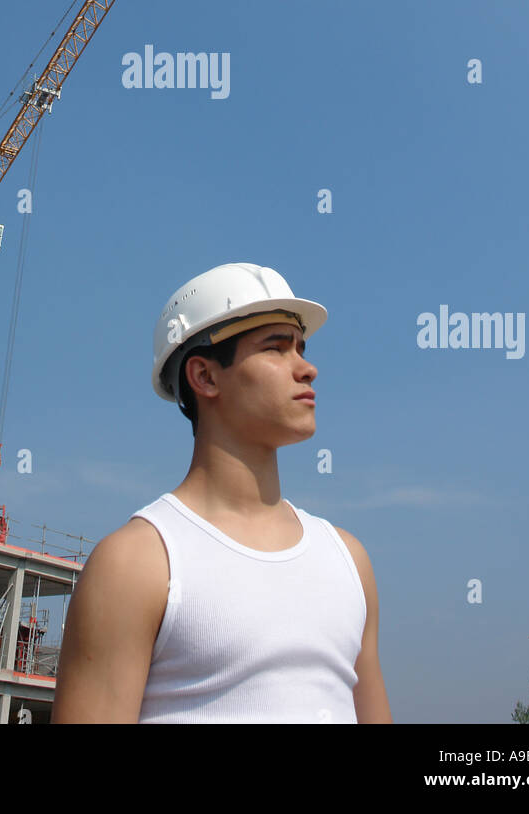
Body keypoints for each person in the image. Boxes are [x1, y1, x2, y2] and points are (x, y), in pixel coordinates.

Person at [51, 262, 392, 724]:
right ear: (205, 377)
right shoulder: (136, 563)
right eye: (276, 349)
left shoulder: (350, 560)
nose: (307, 369)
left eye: (301, 349)